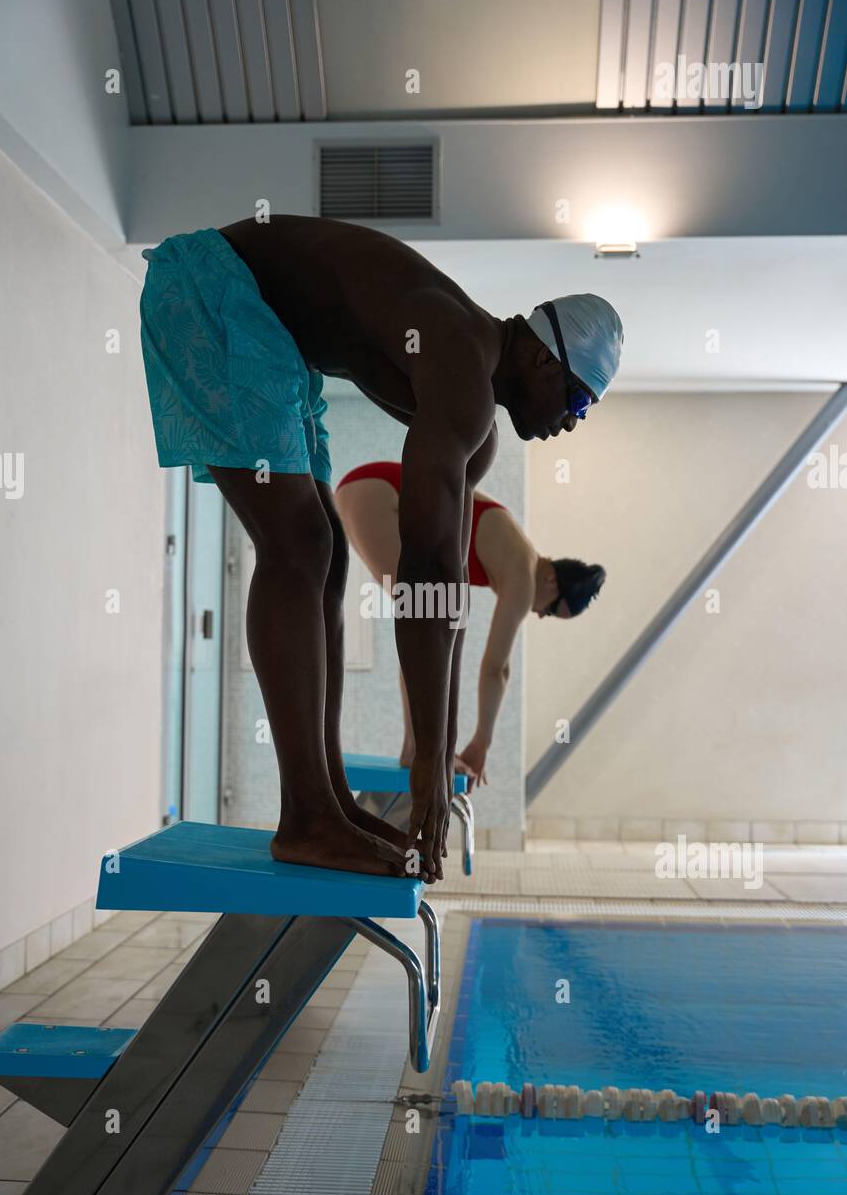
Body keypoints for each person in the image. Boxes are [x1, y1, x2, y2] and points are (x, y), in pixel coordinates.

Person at [139, 214, 623, 880]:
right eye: (577, 399)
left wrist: (441, 746)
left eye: (585, 409)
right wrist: (426, 759)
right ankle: (307, 816)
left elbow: (444, 594)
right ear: (542, 356)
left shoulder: (478, 426)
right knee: (299, 541)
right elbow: (422, 568)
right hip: (215, 285)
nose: (572, 422)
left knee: (326, 548)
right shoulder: (459, 360)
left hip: (275, 332)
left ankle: (328, 801)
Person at [336, 461, 606, 784]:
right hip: (377, 494)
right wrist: (482, 742)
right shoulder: (525, 576)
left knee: (431, 619)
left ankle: (420, 748)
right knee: (428, 619)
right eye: (549, 610)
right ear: (551, 581)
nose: (537, 614)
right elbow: (497, 668)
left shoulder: (517, 555)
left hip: (367, 490)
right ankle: (420, 750)